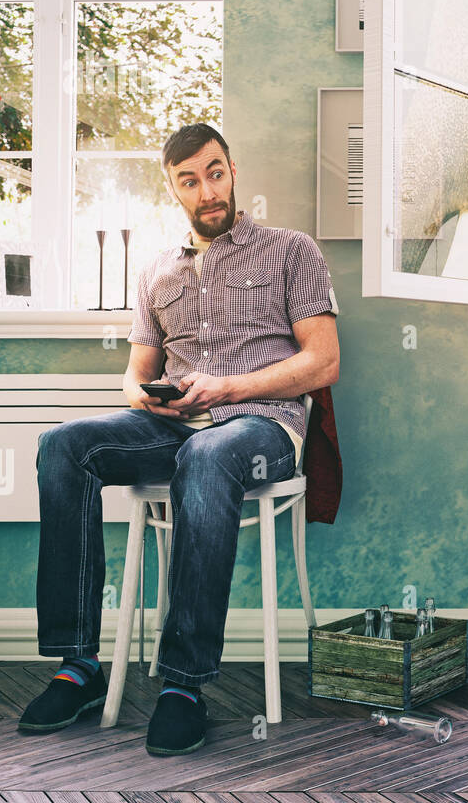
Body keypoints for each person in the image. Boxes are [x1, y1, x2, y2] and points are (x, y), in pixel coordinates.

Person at [20, 123, 340, 756]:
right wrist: (143, 395)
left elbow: (323, 362)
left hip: (261, 424)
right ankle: (78, 665)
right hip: (172, 425)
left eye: (214, 172)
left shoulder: (290, 250)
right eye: (189, 181)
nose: (206, 190)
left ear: (232, 170)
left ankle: (183, 684)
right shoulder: (158, 270)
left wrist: (226, 390)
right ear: (173, 188)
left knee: (207, 455)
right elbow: (136, 374)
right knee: (63, 446)